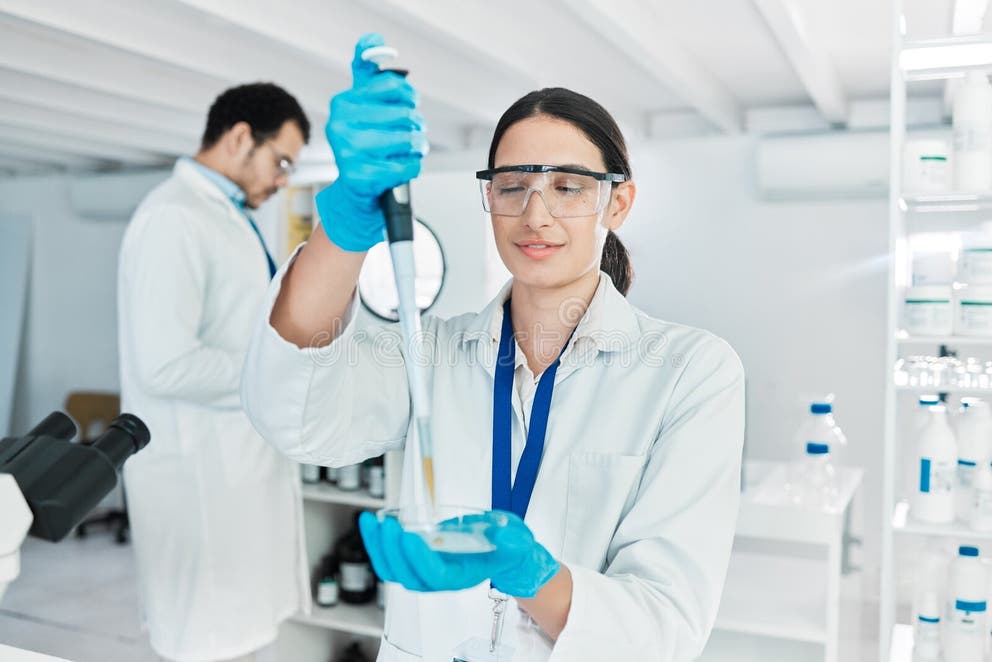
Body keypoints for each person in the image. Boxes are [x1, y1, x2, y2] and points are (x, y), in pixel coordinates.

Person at [242, 34, 744, 662]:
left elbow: (668, 625)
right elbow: (297, 416)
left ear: (617, 201)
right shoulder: (434, 354)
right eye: (511, 186)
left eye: (568, 186)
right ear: (490, 198)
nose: (535, 215)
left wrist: (535, 576)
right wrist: (344, 223)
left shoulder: (689, 371)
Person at [118, 82, 311, 662]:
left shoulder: (222, 216)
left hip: (237, 470)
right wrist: (280, 371)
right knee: (204, 642)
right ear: (238, 137)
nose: (282, 181)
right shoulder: (173, 218)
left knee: (243, 636)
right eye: (280, 161)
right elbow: (165, 366)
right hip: (198, 479)